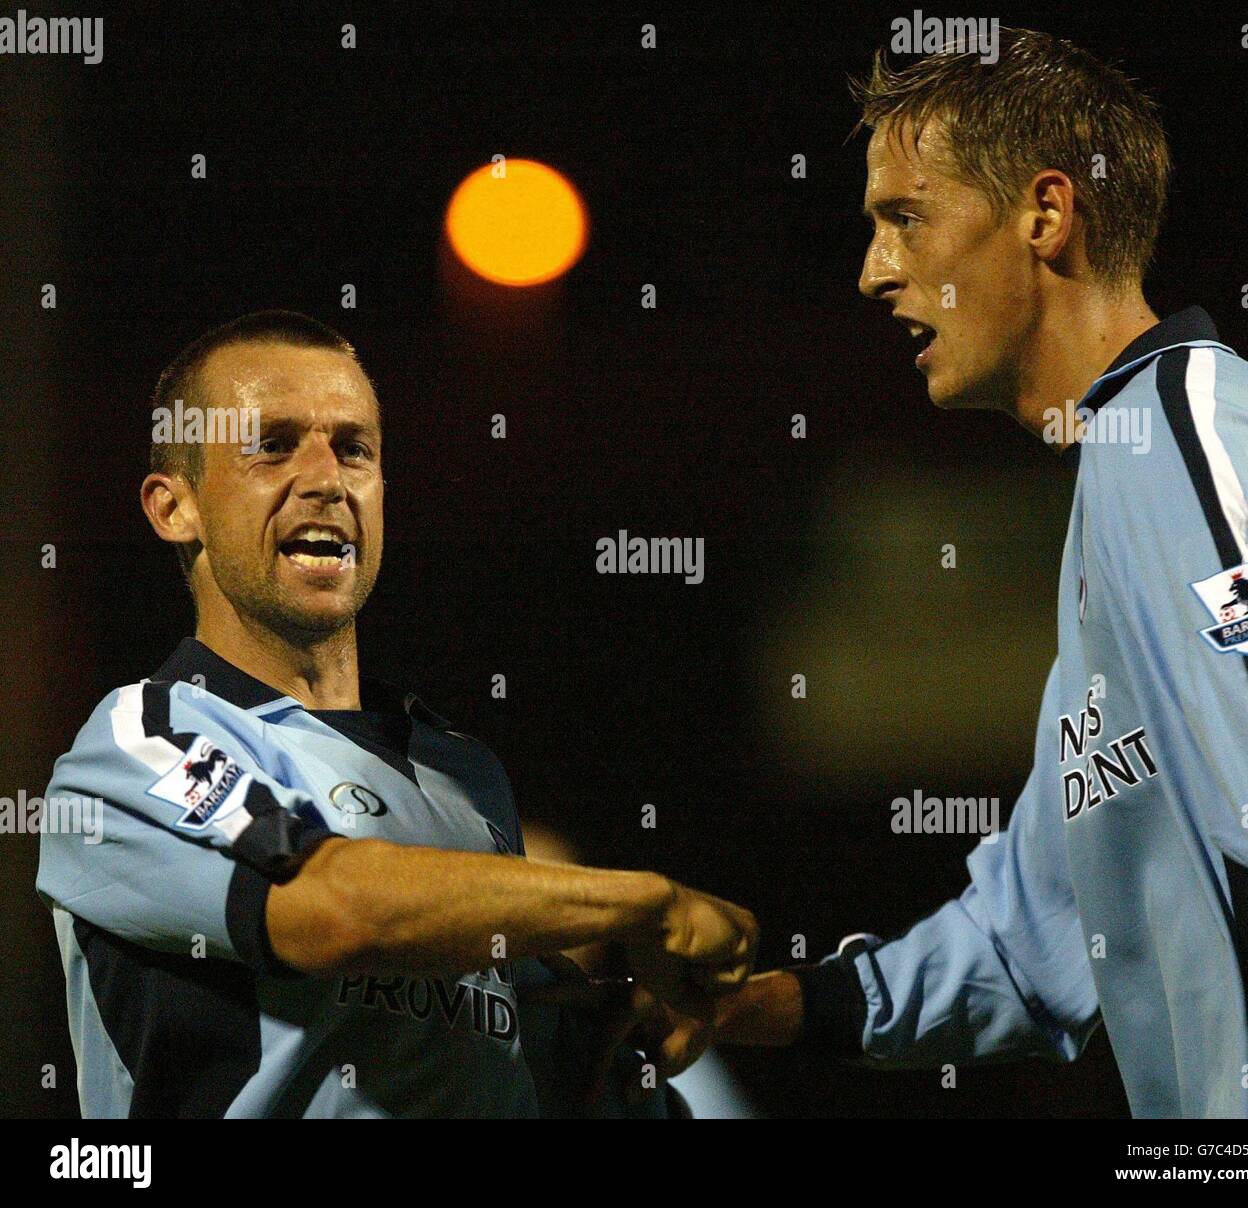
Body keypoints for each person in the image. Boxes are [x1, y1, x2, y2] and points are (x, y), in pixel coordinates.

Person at [675, 28, 1248, 1118]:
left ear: (1045, 215)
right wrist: (749, 1005)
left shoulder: (1187, 437)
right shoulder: (1121, 484)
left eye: (903, 217)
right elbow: (1028, 936)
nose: (872, 270)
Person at [37, 310, 756, 1118]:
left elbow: (534, 1043)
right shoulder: (137, 743)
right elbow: (338, 906)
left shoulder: (463, 775)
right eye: (273, 445)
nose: (325, 478)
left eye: (354, 449)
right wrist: (646, 903)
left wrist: (681, 1012)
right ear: (175, 507)